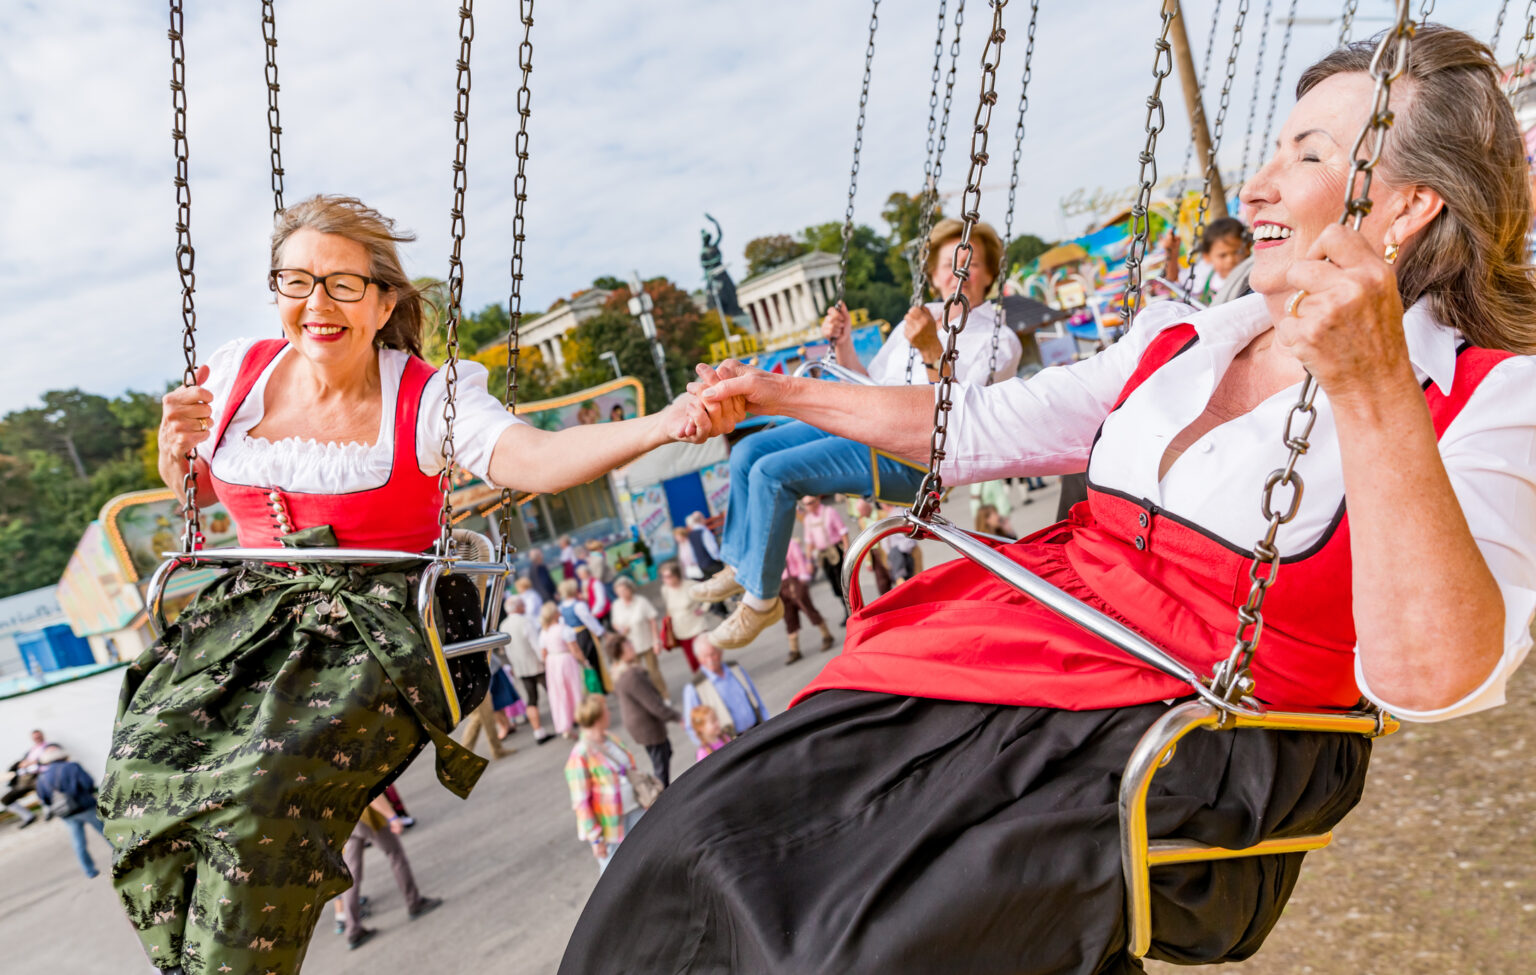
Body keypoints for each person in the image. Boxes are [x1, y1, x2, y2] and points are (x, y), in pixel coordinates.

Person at [563, 29, 1536, 974]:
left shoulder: (1485, 398)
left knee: (841, 946)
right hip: (1014, 652)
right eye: (1277, 144)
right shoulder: (1182, 340)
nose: (1258, 185)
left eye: (1310, 153)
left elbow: (1436, 679)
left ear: (1406, 206)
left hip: (1188, 735)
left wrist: (1369, 385)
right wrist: (782, 393)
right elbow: (977, 426)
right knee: (690, 840)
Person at [100, 194, 716, 975]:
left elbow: (533, 457)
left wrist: (663, 423)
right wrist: (172, 449)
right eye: (295, 282)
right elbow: (199, 489)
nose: (315, 305)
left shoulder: (430, 396)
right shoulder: (236, 372)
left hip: (374, 630)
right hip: (250, 615)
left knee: (260, 796)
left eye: (342, 284)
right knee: (141, 769)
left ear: (384, 298)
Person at [690, 218, 1025, 651]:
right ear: (934, 272)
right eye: (947, 263)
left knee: (774, 473)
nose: (957, 273)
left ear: (991, 274)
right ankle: (739, 564)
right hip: (873, 426)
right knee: (749, 450)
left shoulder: (999, 339)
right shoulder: (922, 319)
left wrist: (930, 350)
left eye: (971, 264)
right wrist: (845, 344)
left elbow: (956, 418)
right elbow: (869, 382)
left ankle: (761, 599)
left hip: (914, 457)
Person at [339, 793, 442, 950]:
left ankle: (353, 929)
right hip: (367, 815)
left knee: (352, 874)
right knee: (396, 855)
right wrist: (392, 816)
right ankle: (414, 902)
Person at [564, 695, 645, 875]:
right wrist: (595, 838)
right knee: (613, 873)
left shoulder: (610, 738)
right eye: (606, 710)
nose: (609, 712)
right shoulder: (580, 754)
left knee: (645, 858)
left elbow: (630, 768)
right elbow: (581, 802)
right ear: (598, 717)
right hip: (610, 824)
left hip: (635, 810)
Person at [607, 633, 682, 787]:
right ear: (620, 652)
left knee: (664, 753)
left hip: (638, 724)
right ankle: (661, 796)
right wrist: (678, 717)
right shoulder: (632, 675)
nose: (632, 646)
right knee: (660, 764)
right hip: (647, 726)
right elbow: (654, 704)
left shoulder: (620, 672)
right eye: (628, 645)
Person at [33, 745, 108, 878]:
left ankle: (89, 871)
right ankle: (127, 857)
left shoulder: (42, 777)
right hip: (86, 807)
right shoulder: (72, 766)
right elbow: (88, 783)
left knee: (78, 843)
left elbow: (44, 799)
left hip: (66, 814)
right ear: (62, 755)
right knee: (106, 832)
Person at [679, 637, 769, 745]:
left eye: (713, 654)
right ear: (698, 659)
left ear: (721, 651)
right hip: (729, 745)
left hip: (757, 730)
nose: (710, 660)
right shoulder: (694, 688)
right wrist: (712, 749)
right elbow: (691, 728)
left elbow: (756, 698)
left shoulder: (735, 668)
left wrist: (767, 723)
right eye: (704, 656)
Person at [503, 585, 553, 744]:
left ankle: (538, 731)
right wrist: (545, 660)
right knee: (552, 692)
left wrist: (514, 666)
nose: (525, 607)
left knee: (531, 699)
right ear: (518, 607)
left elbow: (508, 651)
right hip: (536, 665)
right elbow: (535, 645)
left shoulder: (503, 626)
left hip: (521, 668)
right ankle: (564, 721)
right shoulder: (525, 622)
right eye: (522, 604)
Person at [608, 576, 667, 698]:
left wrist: (656, 641)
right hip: (629, 647)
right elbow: (614, 623)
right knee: (637, 676)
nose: (622, 594)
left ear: (630, 589)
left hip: (646, 642)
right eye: (619, 592)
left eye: (624, 590)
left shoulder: (641, 601)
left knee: (653, 672)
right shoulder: (616, 605)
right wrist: (620, 629)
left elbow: (652, 621)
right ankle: (647, 698)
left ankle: (664, 695)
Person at [779, 536, 834, 665]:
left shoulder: (790, 543)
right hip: (781, 585)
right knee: (788, 616)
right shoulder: (768, 548)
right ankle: (794, 650)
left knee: (808, 609)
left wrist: (803, 581)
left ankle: (827, 636)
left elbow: (799, 560)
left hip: (795, 580)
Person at [540, 601, 589, 739]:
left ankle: (565, 726)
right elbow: (575, 649)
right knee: (574, 689)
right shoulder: (564, 629)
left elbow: (543, 653)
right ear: (554, 614)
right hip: (565, 660)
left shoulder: (544, 632)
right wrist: (584, 661)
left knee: (559, 694)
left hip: (552, 662)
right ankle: (581, 719)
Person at [798, 494, 849, 615]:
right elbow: (809, 541)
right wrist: (809, 561)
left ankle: (851, 609)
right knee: (834, 583)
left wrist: (847, 549)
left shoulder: (829, 511)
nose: (808, 506)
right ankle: (846, 609)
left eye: (811, 502)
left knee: (842, 581)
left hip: (835, 551)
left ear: (817, 500)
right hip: (823, 554)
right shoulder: (808, 519)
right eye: (806, 504)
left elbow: (843, 531)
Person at [558, 577, 610, 692]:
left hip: (572, 636)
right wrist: (601, 632)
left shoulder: (561, 607)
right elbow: (589, 620)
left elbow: (562, 623)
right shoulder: (578, 605)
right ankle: (599, 686)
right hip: (583, 634)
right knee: (593, 660)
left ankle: (590, 686)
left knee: (583, 662)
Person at [658, 561, 708, 672]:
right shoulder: (665, 589)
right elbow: (669, 608)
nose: (666, 580)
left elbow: (708, 594)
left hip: (696, 626)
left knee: (705, 655)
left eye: (668, 577)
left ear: (676, 575)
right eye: (664, 577)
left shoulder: (690, 585)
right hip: (680, 629)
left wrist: (703, 608)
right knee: (693, 661)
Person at [3, 729, 52, 828]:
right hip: (24, 779)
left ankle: (49, 811)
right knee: (6, 799)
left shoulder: (49, 747)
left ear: (43, 736)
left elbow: (50, 760)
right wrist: (21, 765)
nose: (37, 738)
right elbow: (21, 764)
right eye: (35, 737)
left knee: (41, 788)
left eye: (38, 736)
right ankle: (28, 816)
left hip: (39, 776)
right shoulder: (30, 751)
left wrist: (33, 762)